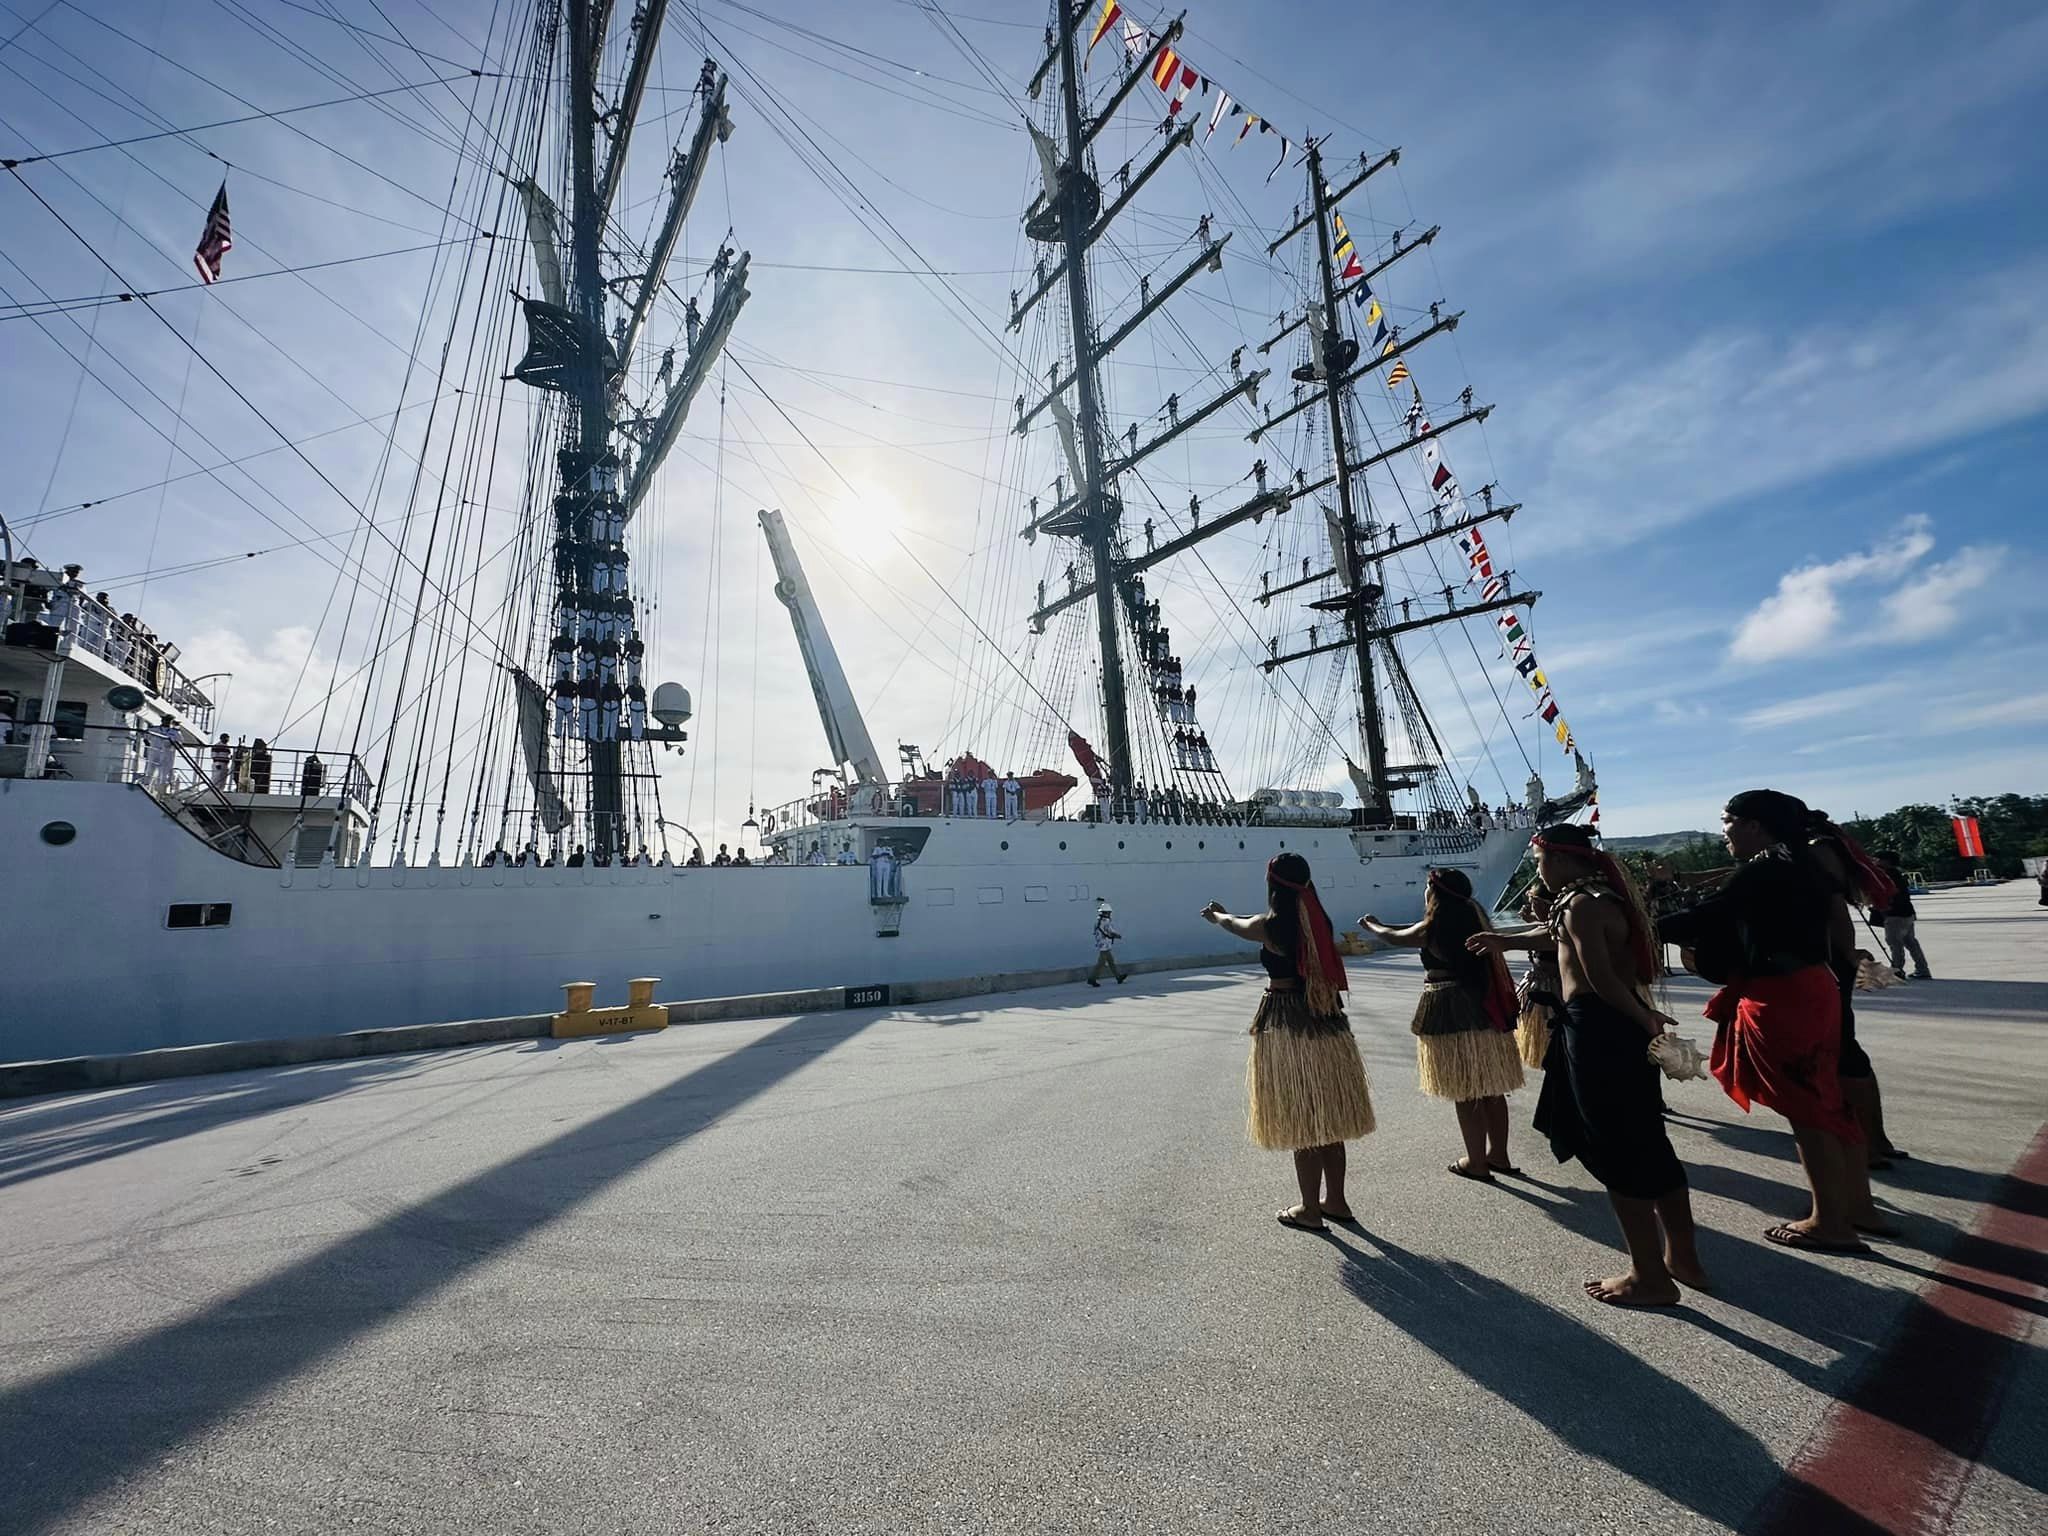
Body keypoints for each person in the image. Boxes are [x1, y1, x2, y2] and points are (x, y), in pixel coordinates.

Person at [1470, 824, 1704, 1306]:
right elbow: (1557, 936)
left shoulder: (1581, 904)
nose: (1538, 870)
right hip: (1612, 1026)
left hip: (1600, 1029)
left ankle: (1649, 1276)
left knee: (1616, 1149)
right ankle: (1682, 1258)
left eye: (1539, 862)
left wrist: (1644, 1019)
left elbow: (1600, 979)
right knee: (1648, 1141)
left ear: (1557, 859)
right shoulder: (1591, 899)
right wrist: (1504, 941)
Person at [1658, 791, 1874, 1254]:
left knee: (1807, 1109)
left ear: (1753, 825)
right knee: (1828, 1100)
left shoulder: (1765, 869)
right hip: (1816, 985)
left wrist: (1642, 927)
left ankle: (1830, 1222)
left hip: (1783, 995)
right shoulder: (1804, 863)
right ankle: (1858, 1206)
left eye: (1727, 821)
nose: (1723, 831)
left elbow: (1705, 917)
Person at [1201, 852, 1376, 1232]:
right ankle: (1337, 1200)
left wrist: (1217, 915)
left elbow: (1234, 923)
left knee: (1304, 1120)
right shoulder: (1319, 922)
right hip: (1328, 1022)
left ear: (1273, 886)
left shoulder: (1271, 926)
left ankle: (1310, 1209)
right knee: (1330, 1117)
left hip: (1287, 1021)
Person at [1361, 868, 1524, 1180]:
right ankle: (1499, 1155)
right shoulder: (1475, 918)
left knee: (1467, 1089)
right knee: (1492, 1088)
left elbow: (1396, 937)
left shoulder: (1433, 928)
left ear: (1435, 893)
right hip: (1483, 1004)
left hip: (1449, 1006)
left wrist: (1372, 925)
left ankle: (1476, 1162)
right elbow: (1409, 930)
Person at [1805, 810, 1909, 1167]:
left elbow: (1835, 908)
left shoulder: (1816, 850)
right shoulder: (1829, 846)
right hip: (1834, 958)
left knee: (1840, 1053)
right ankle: (1875, 1139)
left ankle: (1865, 1143)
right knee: (1846, 1050)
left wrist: (1847, 953)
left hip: (1828, 960)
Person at [1874, 849, 1932, 981]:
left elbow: (1887, 894)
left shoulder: (1886, 875)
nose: (1876, 862)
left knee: (1895, 943)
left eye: (1878, 859)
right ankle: (1922, 969)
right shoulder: (1897, 874)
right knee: (1911, 942)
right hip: (1907, 912)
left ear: (1886, 861)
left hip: (1895, 914)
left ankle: (1897, 970)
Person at [1086, 900, 1127, 986]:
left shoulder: (1098, 921)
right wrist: (1117, 935)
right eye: (1109, 912)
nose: (1110, 914)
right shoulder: (1105, 921)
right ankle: (1092, 978)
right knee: (1101, 963)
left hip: (1102, 944)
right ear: (1106, 912)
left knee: (1111, 962)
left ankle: (1118, 977)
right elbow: (1110, 931)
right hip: (1105, 945)